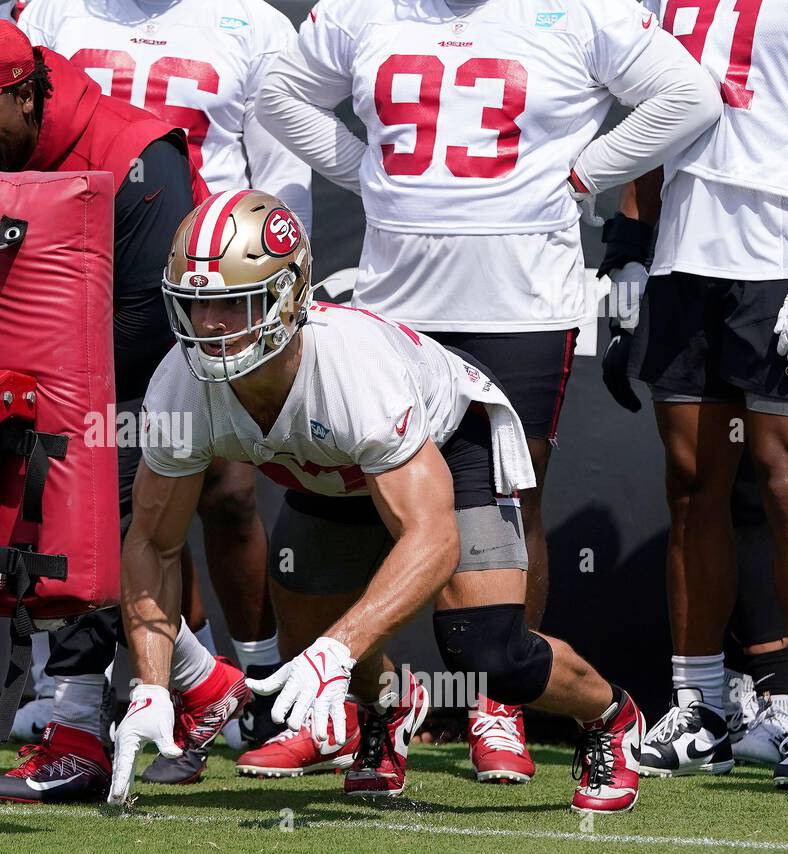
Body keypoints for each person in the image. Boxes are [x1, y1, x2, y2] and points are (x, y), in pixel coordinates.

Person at [255, 0, 720, 783]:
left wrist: (584, 175)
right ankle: (371, 707)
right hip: (396, 299)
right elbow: (280, 95)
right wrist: (365, 170)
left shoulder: (576, 11)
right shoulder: (362, 11)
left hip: (520, 303)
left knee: (508, 500)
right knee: (364, 495)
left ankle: (492, 704)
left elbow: (689, 96)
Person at [109, 189, 645, 815]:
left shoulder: (352, 373)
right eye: (197, 306)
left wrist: (340, 648)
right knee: (308, 632)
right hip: (330, 469)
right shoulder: (179, 383)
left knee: (488, 651)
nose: (210, 328)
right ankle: (388, 707)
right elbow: (153, 542)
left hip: (448, 438)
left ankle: (611, 715)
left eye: (233, 303)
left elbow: (433, 539)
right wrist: (151, 686)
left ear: (288, 298)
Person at [0, 15, 235, 804]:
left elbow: (150, 322)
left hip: (172, 355)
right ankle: (208, 683)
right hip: (49, 363)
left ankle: (78, 731)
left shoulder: (136, 155)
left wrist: (44, 393)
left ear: (24, 96)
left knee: (90, 516)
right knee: (35, 521)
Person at [16, 0, 316, 773]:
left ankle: (255, 680)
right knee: (106, 492)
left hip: (215, 287)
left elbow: (280, 171)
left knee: (225, 491)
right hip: (81, 277)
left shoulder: (252, 24)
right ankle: (148, 686)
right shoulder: (53, 15)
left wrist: (287, 283)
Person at [599, 0, 788, 785]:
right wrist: (629, 248)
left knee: (782, 481)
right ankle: (702, 705)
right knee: (691, 484)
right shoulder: (651, 3)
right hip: (685, 252)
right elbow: (652, 117)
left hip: (777, 244)